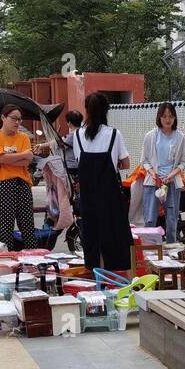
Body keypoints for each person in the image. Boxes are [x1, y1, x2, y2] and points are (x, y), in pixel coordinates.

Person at [70, 92, 130, 272]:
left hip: (88, 198)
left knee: (92, 238)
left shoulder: (77, 135)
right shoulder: (114, 134)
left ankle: (94, 276)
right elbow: (125, 163)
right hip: (110, 198)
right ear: (106, 111)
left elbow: (78, 160)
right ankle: (115, 278)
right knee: (114, 237)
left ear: (86, 111)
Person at [0, 105, 40, 251]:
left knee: (27, 225)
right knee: (5, 227)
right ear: (3, 118)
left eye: (19, 120)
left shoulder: (23, 137)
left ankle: (31, 257)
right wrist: (21, 155)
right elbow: (1, 157)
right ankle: (7, 260)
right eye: (14, 119)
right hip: (3, 184)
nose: (17, 122)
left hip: (23, 183)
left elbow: (27, 161)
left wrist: (3, 159)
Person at [140, 102, 185, 241]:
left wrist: (171, 175)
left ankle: (171, 252)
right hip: (153, 182)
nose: (167, 120)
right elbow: (144, 160)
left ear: (175, 118)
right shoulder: (150, 136)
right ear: (159, 117)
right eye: (164, 116)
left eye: (171, 116)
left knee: (172, 220)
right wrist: (154, 175)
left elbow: (183, 163)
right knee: (149, 219)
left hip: (171, 182)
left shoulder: (180, 137)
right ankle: (149, 250)